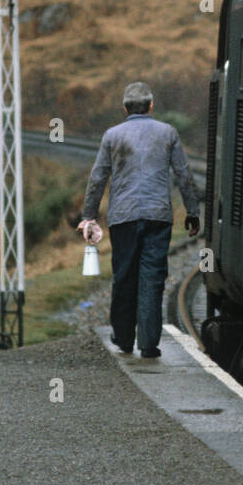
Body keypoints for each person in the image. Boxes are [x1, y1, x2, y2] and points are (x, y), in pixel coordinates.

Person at [77, 82, 200, 358]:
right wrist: (192, 212)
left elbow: (97, 178)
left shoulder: (112, 135)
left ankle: (122, 339)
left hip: (124, 217)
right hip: (158, 217)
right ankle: (148, 344)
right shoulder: (168, 133)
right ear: (151, 106)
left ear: (125, 108)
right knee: (152, 279)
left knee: (124, 278)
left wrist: (89, 216)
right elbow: (184, 175)